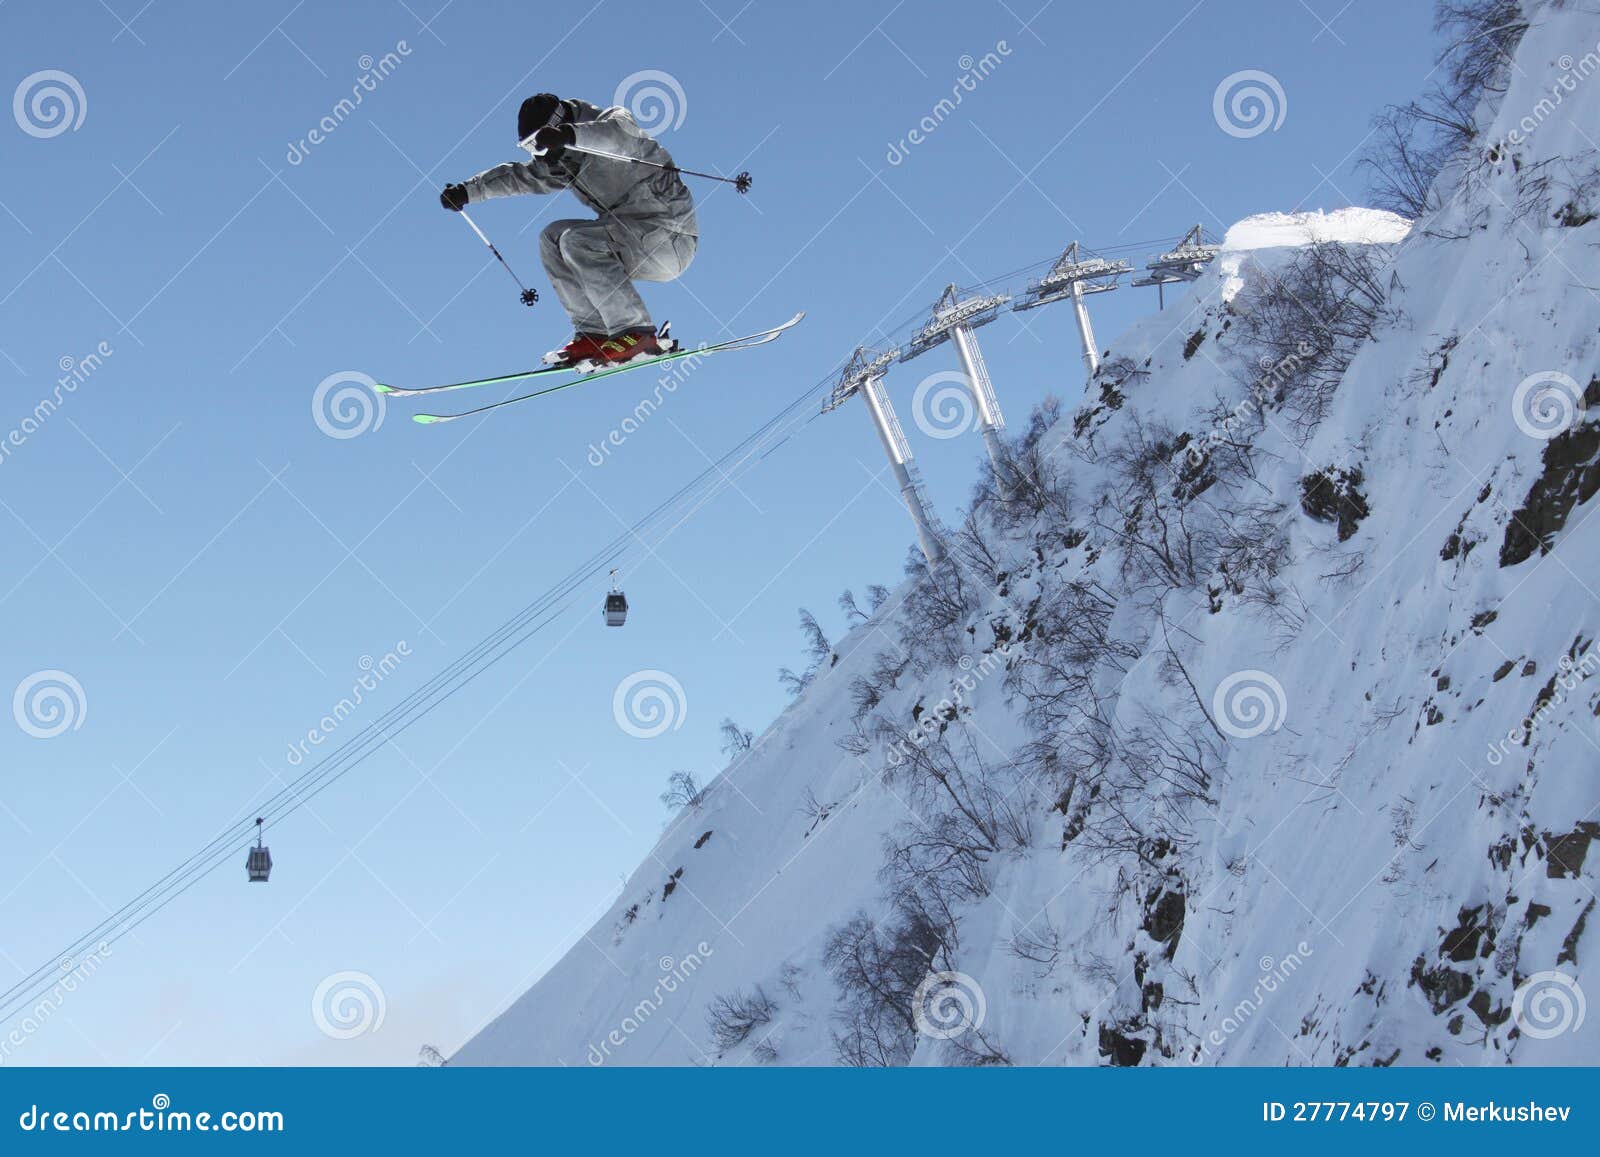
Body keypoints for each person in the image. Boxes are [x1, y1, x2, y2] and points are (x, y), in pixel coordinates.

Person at [440, 93, 697, 370]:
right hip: (633, 239)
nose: (537, 152)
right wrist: (468, 190)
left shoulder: (614, 122)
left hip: (669, 237)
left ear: (556, 126)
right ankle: (594, 334)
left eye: (536, 143)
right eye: (529, 147)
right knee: (552, 237)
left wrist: (569, 135)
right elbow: (522, 177)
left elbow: (615, 139)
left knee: (578, 241)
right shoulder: (564, 162)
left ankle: (636, 333)